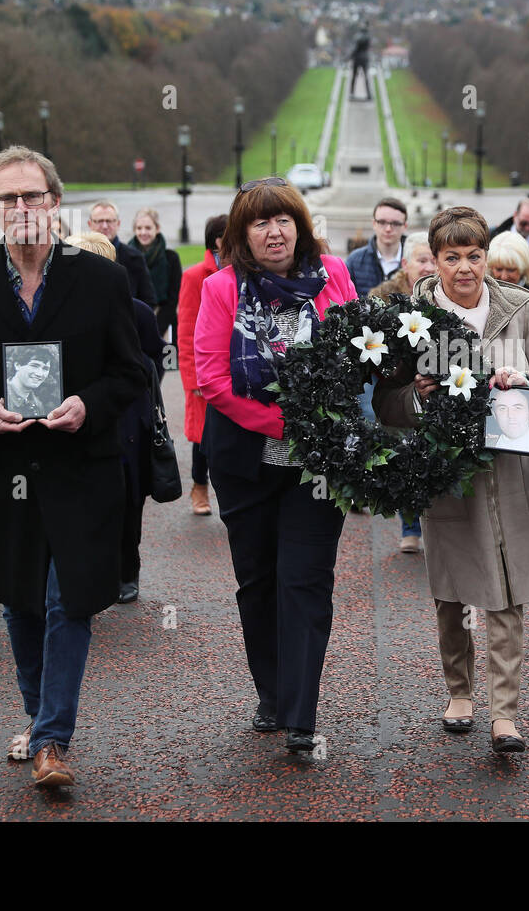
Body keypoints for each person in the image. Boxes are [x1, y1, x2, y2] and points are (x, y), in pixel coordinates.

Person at [0, 147, 145, 789]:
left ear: (55, 202)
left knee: (65, 601)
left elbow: (133, 371)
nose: (21, 209)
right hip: (3, 468)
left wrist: (89, 404)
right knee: (19, 603)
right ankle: (38, 714)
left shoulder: (102, 279)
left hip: (82, 465)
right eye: (7, 199)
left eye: (32, 196)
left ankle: (52, 739)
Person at [374, 206, 529, 755]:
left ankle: (505, 713)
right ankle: (459, 693)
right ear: (433, 261)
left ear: (487, 257)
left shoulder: (520, 309)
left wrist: (524, 380)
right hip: (448, 476)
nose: (465, 268)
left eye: (474, 256)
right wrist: (418, 396)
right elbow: (387, 404)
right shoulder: (410, 318)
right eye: (452, 257)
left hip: (511, 472)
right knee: (454, 592)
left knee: (509, 594)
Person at [194, 178, 357, 752]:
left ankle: (300, 711)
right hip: (245, 459)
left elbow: (358, 350)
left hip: (318, 463)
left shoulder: (334, 274)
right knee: (259, 581)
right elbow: (212, 378)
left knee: (306, 579)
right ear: (242, 234)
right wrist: (287, 424)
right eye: (260, 222)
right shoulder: (222, 287)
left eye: (283, 219)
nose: (274, 231)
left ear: (300, 224)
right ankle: (271, 692)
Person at [63, 231, 164, 606]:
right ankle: (87, 572)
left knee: (126, 501)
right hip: (76, 418)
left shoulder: (134, 309)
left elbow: (154, 357)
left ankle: (127, 572)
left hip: (126, 421)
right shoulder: (61, 311)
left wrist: (133, 391)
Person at [368, 231, 438, 553]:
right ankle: (410, 526)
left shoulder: (447, 298)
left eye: (435, 260)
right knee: (405, 456)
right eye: (422, 260)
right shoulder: (382, 297)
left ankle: (440, 527)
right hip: (397, 394)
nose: (429, 267)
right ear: (406, 263)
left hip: (437, 392)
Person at [179, 214, 225, 516]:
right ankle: (199, 486)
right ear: (217, 240)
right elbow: (186, 330)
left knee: (229, 438)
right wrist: (193, 379)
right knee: (203, 439)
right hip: (205, 371)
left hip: (236, 371)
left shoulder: (247, 270)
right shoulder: (196, 275)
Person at [87, 199, 157, 307]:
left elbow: (148, 301)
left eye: (109, 221)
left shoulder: (135, 257)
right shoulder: (82, 256)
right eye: (99, 221)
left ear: (118, 223)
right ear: (90, 224)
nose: (105, 226)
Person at [130, 207, 182, 341]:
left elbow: (173, 299)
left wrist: (155, 330)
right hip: (133, 324)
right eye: (139, 228)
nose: (143, 232)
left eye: (148, 228)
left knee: (165, 361)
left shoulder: (171, 258)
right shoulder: (126, 257)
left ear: (157, 228)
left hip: (163, 323)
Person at [346, 197, 408, 296]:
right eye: (382, 222)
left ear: (405, 226)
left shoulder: (414, 262)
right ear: (374, 224)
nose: (388, 229)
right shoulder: (354, 260)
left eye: (395, 223)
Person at [486, 387, 529, 452]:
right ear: (495, 415)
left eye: (517, 408)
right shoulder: (489, 445)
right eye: (502, 409)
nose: (510, 415)